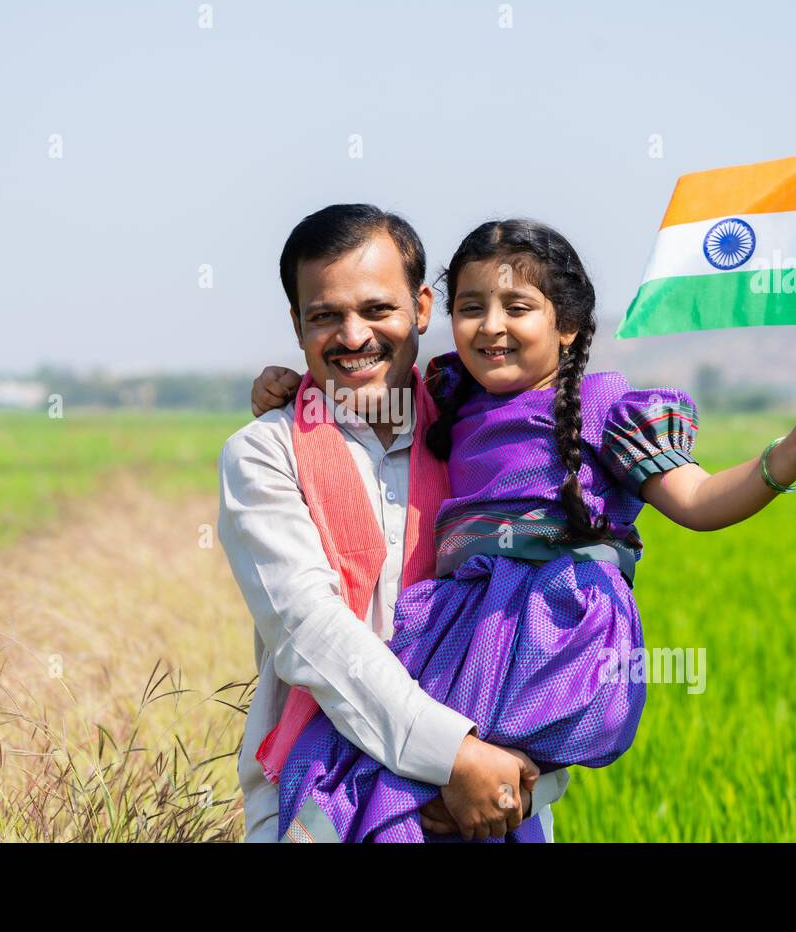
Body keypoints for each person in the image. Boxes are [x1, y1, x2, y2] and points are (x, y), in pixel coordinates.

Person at [251, 217, 796, 842]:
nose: (492, 326)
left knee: (408, 774)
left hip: (551, 625)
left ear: (567, 326)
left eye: (517, 306)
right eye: (473, 308)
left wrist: (784, 458)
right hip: (465, 622)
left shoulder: (603, 409)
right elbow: (355, 392)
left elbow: (699, 500)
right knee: (389, 761)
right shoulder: (450, 394)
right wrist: (288, 389)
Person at [217, 204, 572, 844]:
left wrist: (524, 776)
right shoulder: (266, 453)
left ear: (423, 307)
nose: (354, 337)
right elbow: (310, 633)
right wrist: (455, 755)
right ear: (297, 325)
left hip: (493, 802)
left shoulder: (482, 437)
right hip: (319, 807)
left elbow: (551, 614)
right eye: (326, 315)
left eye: (377, 310)